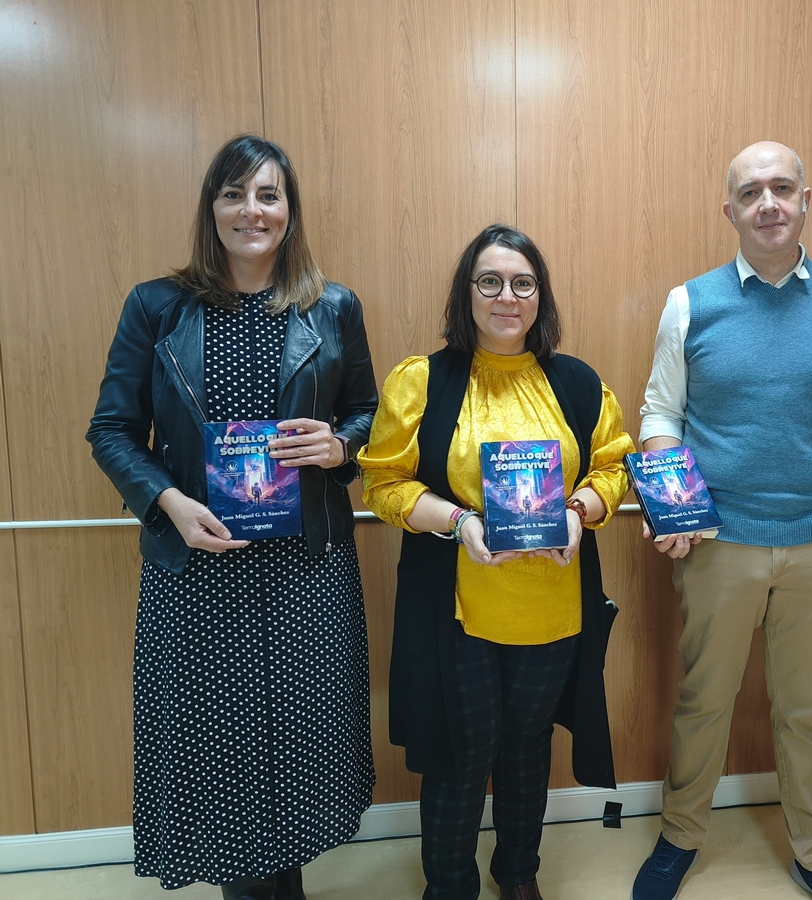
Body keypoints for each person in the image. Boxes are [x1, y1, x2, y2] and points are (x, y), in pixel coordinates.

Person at [86, 134, 378, 899]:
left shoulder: (333, 307)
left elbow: (367, 413)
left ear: (290, 210)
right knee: (219, 745)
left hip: (305, 567)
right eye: (234, 193)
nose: (252, 210)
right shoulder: (157, 306)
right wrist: (169, 503)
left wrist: (339, 445)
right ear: (211, 208)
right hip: (199, 563)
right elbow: (112, 430)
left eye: (268, 195)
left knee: (300, 742)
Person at [633, 141, 812, 900]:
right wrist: (673, 503)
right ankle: (680, 836)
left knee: (805, 712)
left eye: (782, 188)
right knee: (703, 702)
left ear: (807, 200)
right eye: (751, 192)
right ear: (731, 211)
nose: (768, 203)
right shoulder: (690, 303)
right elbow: (661, 413)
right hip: (717, 542)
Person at [357, 224, 633, 900]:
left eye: (522, 283)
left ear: (540, 296)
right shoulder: (423, 380)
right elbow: (384, 485)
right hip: (459, 610)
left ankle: (518, 876)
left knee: (527, 750)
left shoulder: (577, 383)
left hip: (553, 608)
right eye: (490, 281)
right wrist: (459, 522)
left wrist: (581, 510)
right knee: (458, 757)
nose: (507, 297)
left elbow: (613, 466)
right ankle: (450, 886)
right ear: (467, 293)